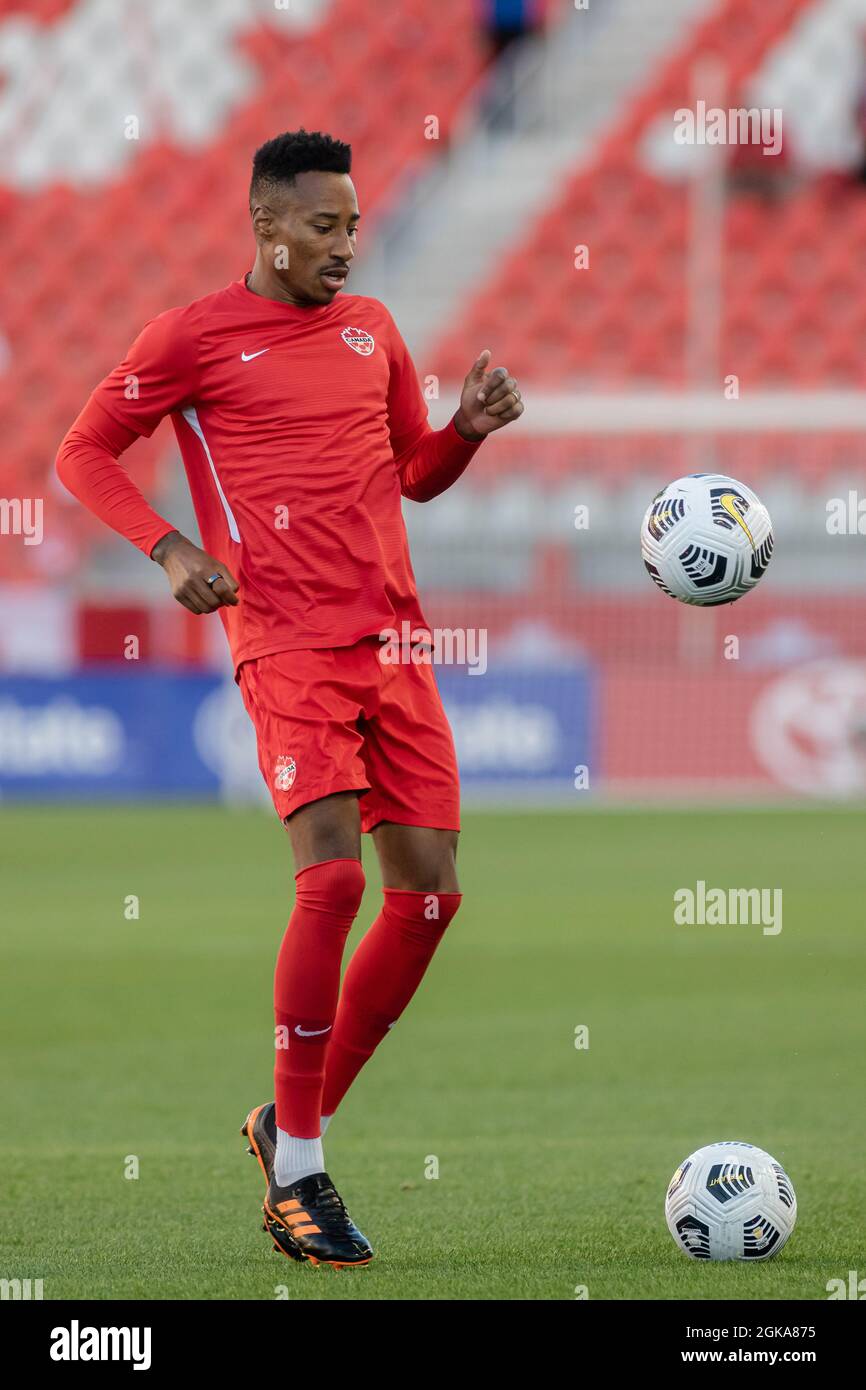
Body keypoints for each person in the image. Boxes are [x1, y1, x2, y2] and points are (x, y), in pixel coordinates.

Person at [56, 128, 524, 1269]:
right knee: (329, 874)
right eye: (324, 226)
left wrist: (462, 428)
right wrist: (169, 548)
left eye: (354, 226)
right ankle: (302, 1177)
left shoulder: (372, 332)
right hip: (285, 644)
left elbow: (410, 472)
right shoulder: (193, 339)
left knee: (428, 898)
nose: (344, 246)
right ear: (265, 225)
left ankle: (287, 1126)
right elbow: (83, 452)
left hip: (394, 647)